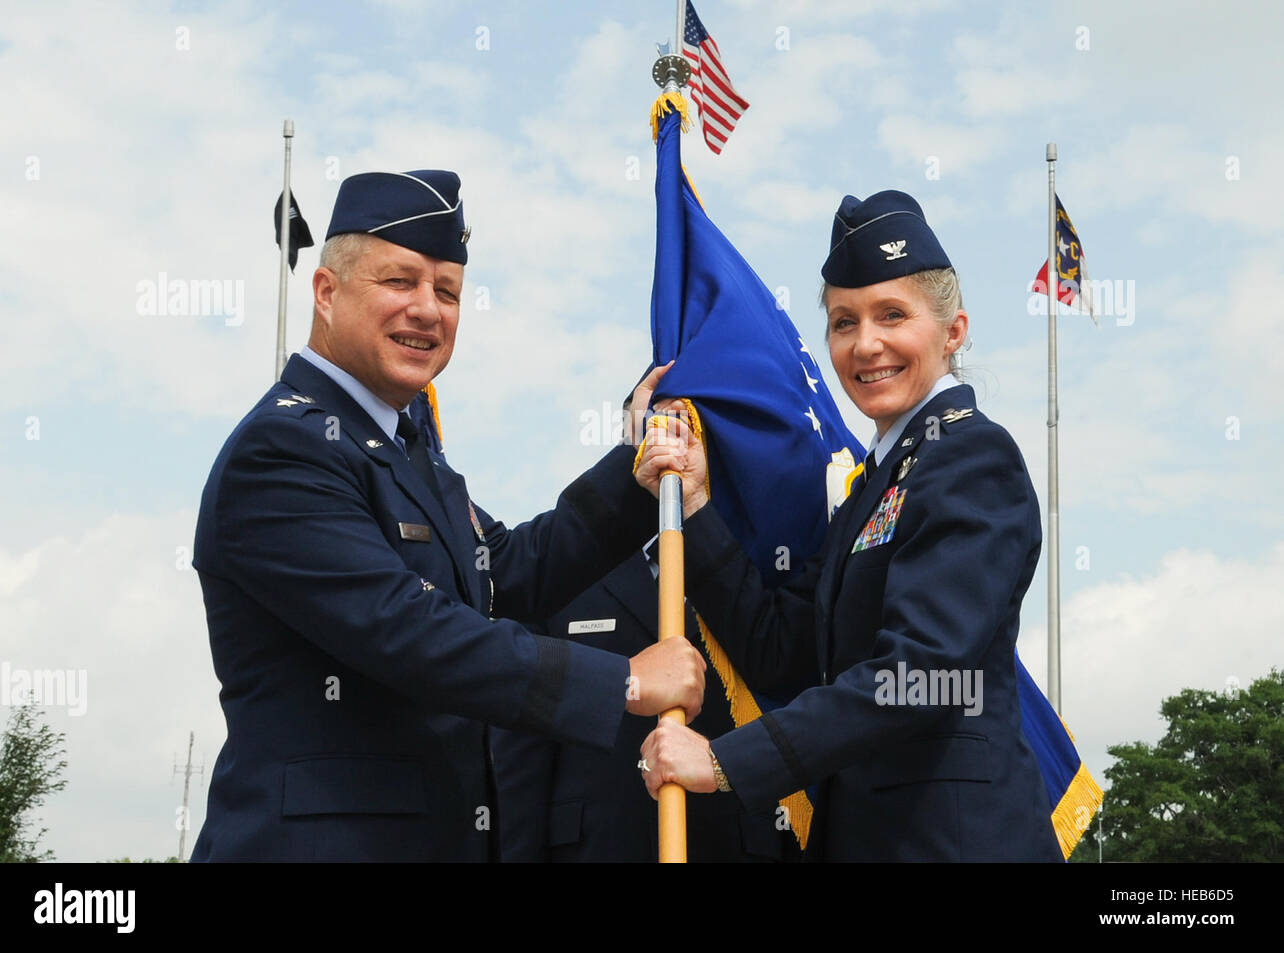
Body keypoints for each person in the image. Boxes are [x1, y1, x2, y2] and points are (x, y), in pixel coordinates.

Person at [190, 169, 704, 862]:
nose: (428, 309)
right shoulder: (283, 449)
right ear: (326, 291)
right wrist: (625, 682)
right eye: (400, 281)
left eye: (448, 291)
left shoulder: (408, 451)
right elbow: (410, 632)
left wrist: (636, 475)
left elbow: (505, 573)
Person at [635, 190, 1062, 862]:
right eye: (843, 322)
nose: (866, 345)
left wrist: (725, 761)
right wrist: (693, 502)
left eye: (892, 315)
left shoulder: (973, 456)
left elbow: (920, 671)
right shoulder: (872, 488)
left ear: (953, 332)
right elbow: (779, 649)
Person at [491, 550, 801, 863]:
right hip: (595, 847)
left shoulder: (756, 554)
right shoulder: (554, 556)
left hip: (737, 845)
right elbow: (522, 746)